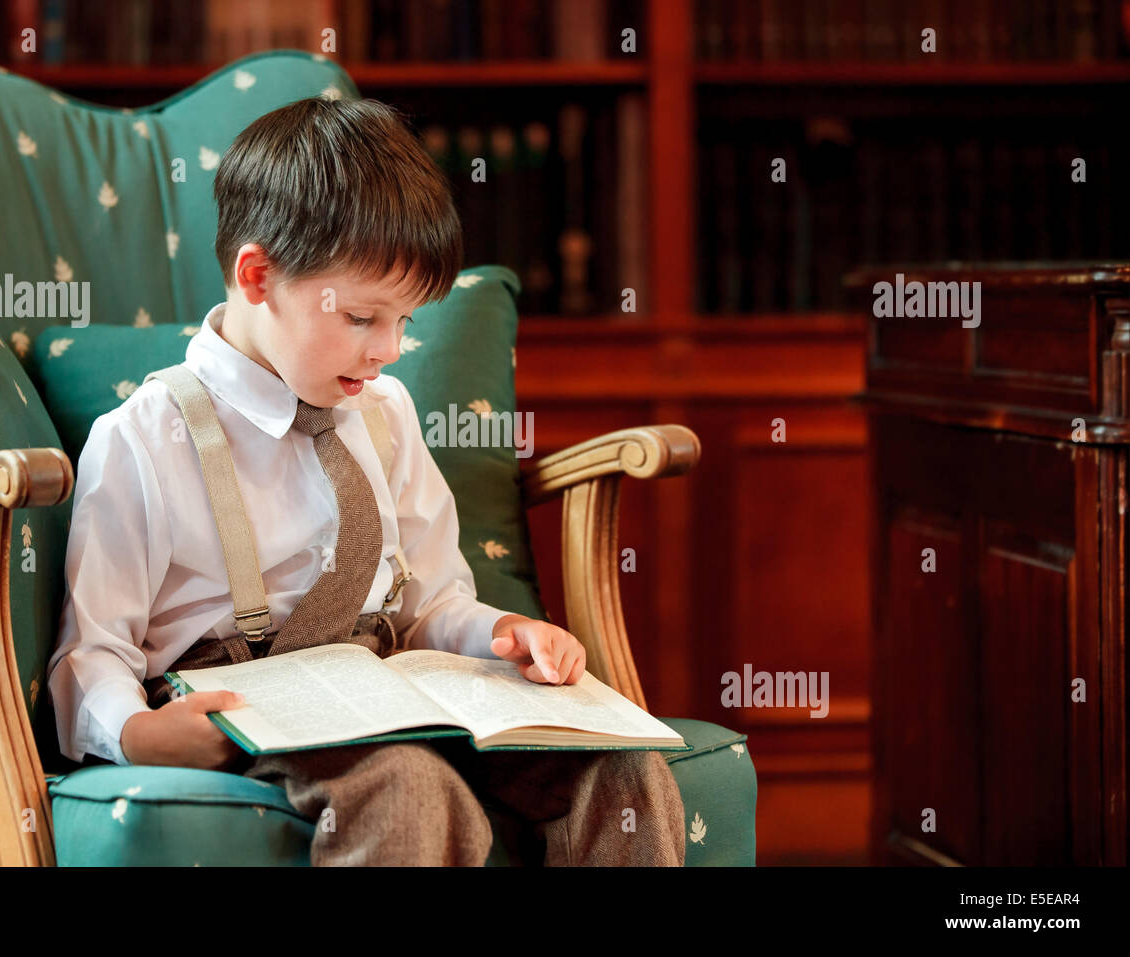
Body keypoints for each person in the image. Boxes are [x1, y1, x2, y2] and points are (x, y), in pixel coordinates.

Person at [45, 95, 687, 866]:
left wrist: (498, 633)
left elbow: (429, 601)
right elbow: (92, 650)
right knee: (411, 788)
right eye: (361, 318)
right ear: (258, 275)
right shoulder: (143, 438)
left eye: (406, 322)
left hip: (394, 689)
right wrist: (137, 731)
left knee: (620, 767)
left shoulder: (385, 412)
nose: (388, 348)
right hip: (252, 705)